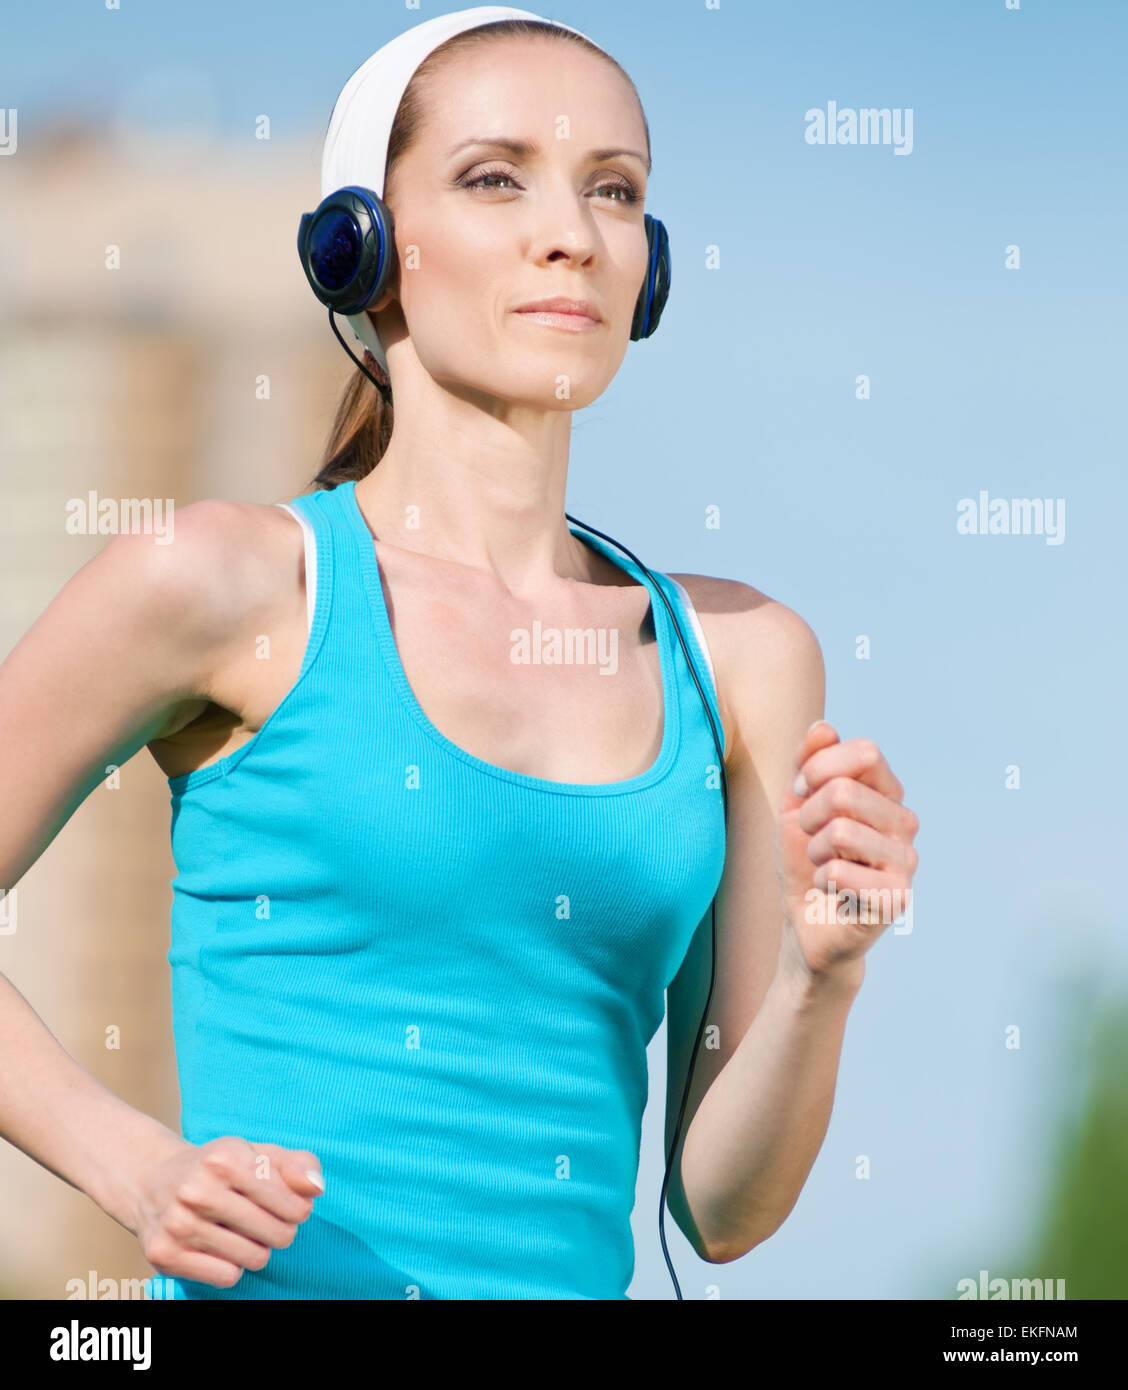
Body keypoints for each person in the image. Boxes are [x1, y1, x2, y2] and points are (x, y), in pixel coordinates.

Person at [0, 9, 919, 1300]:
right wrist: (132, 1164)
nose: (573, 232)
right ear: (360, 245)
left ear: (645, 267)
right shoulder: (222, 583)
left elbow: (724, 1208)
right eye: (497, 177)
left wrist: (826, 974)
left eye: (615, 191)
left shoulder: (748, 659)